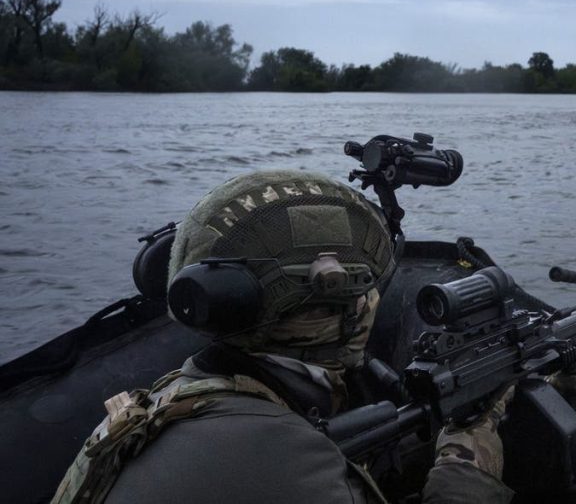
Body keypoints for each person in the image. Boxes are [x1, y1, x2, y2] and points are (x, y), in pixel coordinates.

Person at [51, 170, 515, 504]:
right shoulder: (281, 456)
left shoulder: (177, 396)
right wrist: (466, 454)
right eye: (370, 285)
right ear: (346, 300)